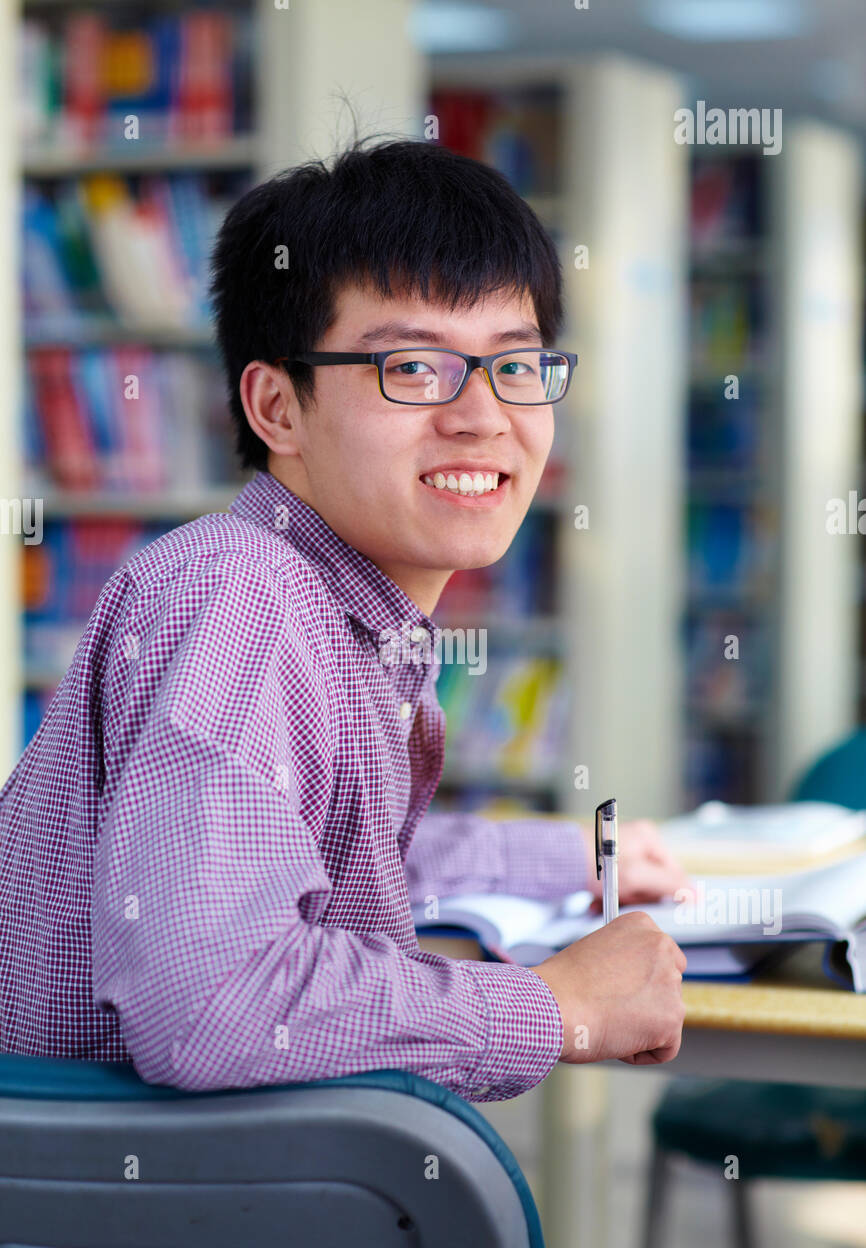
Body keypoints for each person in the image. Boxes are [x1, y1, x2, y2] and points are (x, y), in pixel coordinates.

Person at [0, 136, 688, 1098]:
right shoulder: (243, 605)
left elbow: (324, 858)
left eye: (515, 365)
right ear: (278, 407)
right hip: (126, 1227)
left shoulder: (329, 609)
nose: (482, 417)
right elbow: (212, 1003)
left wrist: (566, 856)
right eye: (412, 367)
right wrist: (553, 1004)